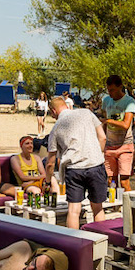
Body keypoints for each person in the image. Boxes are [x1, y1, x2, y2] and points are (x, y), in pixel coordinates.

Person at [44, 95, 107, 230]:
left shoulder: (55, 129)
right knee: (98, 208)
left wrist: (48, 181)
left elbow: (50, 162)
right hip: (95, 165)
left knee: (73, 210)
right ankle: (101, 240)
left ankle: (74, 243)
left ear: (53, 111)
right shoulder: (86, 113)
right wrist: (97, 153)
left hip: (74, 169)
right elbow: (102, 137)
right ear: (66, 105)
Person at [100, 75, 135, 192]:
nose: (110, 93)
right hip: (110, 145)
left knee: (124, 181)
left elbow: (126, 124)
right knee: (111, 180)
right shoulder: (106, 101)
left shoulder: (129, 101)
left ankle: (129, 207)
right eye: (108, 90)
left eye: (112, 90)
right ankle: (114, 206)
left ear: (120, 87)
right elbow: (103, 123)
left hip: (125, 145)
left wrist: (109, 121)